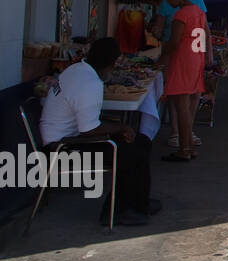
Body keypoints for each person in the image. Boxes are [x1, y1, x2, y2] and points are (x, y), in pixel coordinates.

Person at [39, 37, 160, 226]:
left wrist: (118, 131)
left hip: (66, 139)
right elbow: (89, 130)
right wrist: (120, 128)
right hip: (61, 149)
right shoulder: (90, 83)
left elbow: (87, 124)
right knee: (129, 153)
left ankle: (139, 201)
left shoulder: (76, 69)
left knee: (141, 141)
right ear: (111, 64)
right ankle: (118, 211)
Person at [159, 0, 208, 161]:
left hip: (183, 60)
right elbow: (203, 36)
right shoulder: (198, 11)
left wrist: (160, 61)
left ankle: (184, 149)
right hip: (195, 58)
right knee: (185, 107)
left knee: (182, 108)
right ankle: (188, 147)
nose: (168, 2)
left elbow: (173, 43)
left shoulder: (181, 14)